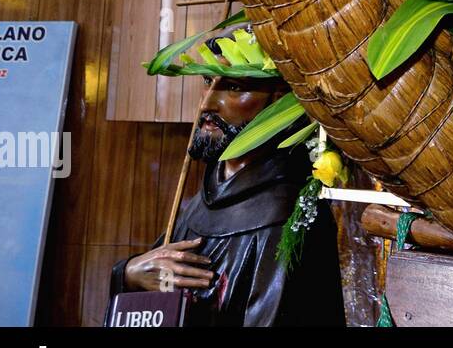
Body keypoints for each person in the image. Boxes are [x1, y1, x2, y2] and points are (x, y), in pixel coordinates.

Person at [109, 67, 345, 326]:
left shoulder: (283, 216)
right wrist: (129, 273)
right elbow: (169, 286)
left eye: (233, 87)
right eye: (208, 81)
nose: (206, 104)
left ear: (279, 100)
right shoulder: (211, 192)